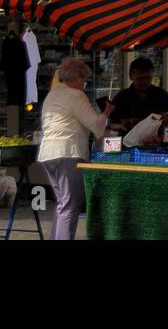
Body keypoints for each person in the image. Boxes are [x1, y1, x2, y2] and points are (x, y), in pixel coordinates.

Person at [38, 57, 114, 240]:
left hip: (48, 153)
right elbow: (94, 124)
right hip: (68, 152)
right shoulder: (76, 94)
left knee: (62, 203)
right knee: (71, 205)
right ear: (76, 76)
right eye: (84, 79)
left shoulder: (53, 93)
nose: (84, 84)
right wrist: (106, 113)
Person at [108, 57, 168, 135]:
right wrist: (117, 125)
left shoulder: (163, 96)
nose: (144, 82)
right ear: (131, 76)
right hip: (127, 142)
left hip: (155, 143)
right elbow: (111, 122)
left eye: (148, 78)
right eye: (140, 78)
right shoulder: (121, 97)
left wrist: (167, 118)